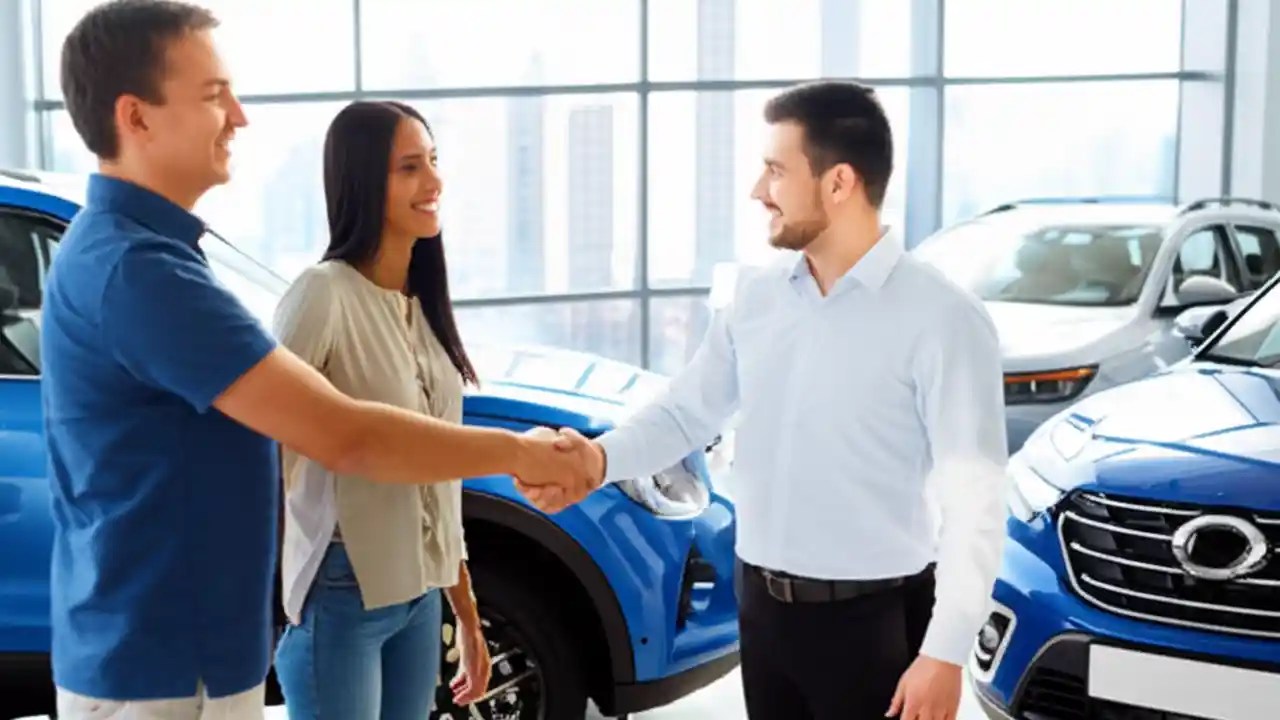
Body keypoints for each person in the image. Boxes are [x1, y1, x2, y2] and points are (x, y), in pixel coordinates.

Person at [41, 2, 594, 717]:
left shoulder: (152, 257)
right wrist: (524, 453)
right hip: (164, 667)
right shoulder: (139, 272)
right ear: (136, 116)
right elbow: (344, 437)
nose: (238, 116)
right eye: (214, 96)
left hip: (195, 654)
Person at [524, 80, 1009, 720]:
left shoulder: (943, 318)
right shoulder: (756, 297)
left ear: (839, 183)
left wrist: (944, 653)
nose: (759, 191)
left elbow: (975, 501)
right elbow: (686, 411)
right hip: (764, 615)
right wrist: (596, 462)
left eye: (776, 170)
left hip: (876, 625)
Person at [270, 100, 490, 719]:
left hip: (421, 596)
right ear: (364, 180)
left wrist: (466, 615)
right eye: (410, 167)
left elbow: (438, 478)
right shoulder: (323, 293)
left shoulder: (422, 304)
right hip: (342, 592)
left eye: (435, 162)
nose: (435, 182)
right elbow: (265, 445)